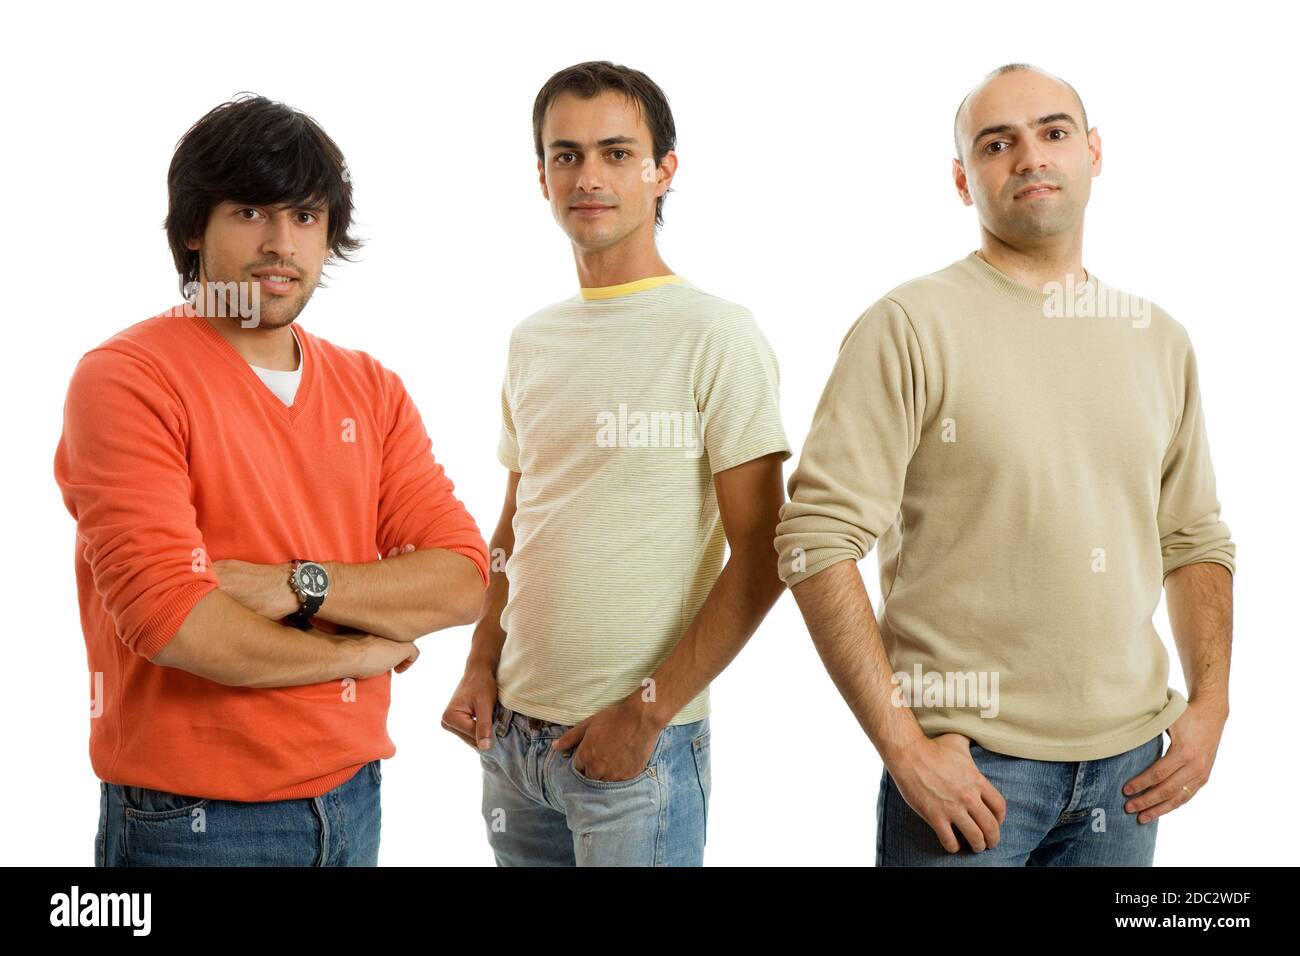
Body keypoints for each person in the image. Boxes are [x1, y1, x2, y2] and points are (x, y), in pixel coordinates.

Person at [775, 64, 1235, 866]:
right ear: (963, 179)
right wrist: (905, 748)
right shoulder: (909, 325)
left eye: (1054, 133)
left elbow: (1194, 539)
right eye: (998, 144)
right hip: (972, 777)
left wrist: (1213, 704)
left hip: (1130, 775)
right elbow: (815, 537)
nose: (1030, 157)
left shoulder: (1158, 339)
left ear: (1093, 153)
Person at [54, 94, 490, 866]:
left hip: (354, 799)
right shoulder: (127, 379)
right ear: (195, 228)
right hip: (192, 821)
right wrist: (354, 656)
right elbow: (173, 622)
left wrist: (298, 585)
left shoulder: (371, 388)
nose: (282, 243)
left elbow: (461, 579)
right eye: (251, 212)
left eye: (306, 216)